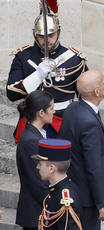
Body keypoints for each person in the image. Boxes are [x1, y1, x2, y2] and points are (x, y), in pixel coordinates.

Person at [8, 0, 87, 141]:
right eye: (41, 36)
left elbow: (84, 96)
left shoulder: (73, 58)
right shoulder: (23, 57)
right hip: (33, 120)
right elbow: (11, 93)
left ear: (58, 32)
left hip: (62, 120)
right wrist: (37, 76)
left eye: (51, 35)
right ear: (35, 35)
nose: (46, 40)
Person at [59, 71, 104, 230]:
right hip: (86, 198)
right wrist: (102, 203)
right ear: (96, 92)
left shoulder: (73, 107)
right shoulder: (90, 123)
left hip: (71, 188)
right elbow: (93, 167)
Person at [15, 89, 56, 230]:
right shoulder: (30, 141)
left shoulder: (37, 135)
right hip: (35, 213)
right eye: (52, 108)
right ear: (41, 113)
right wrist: (57, 205)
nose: (54, 112)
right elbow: (38, 181)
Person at [32, 139, 80, 230]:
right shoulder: (56, 190)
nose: (37, 167)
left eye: (40, 164)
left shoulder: (65, 199)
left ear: (51, 168)